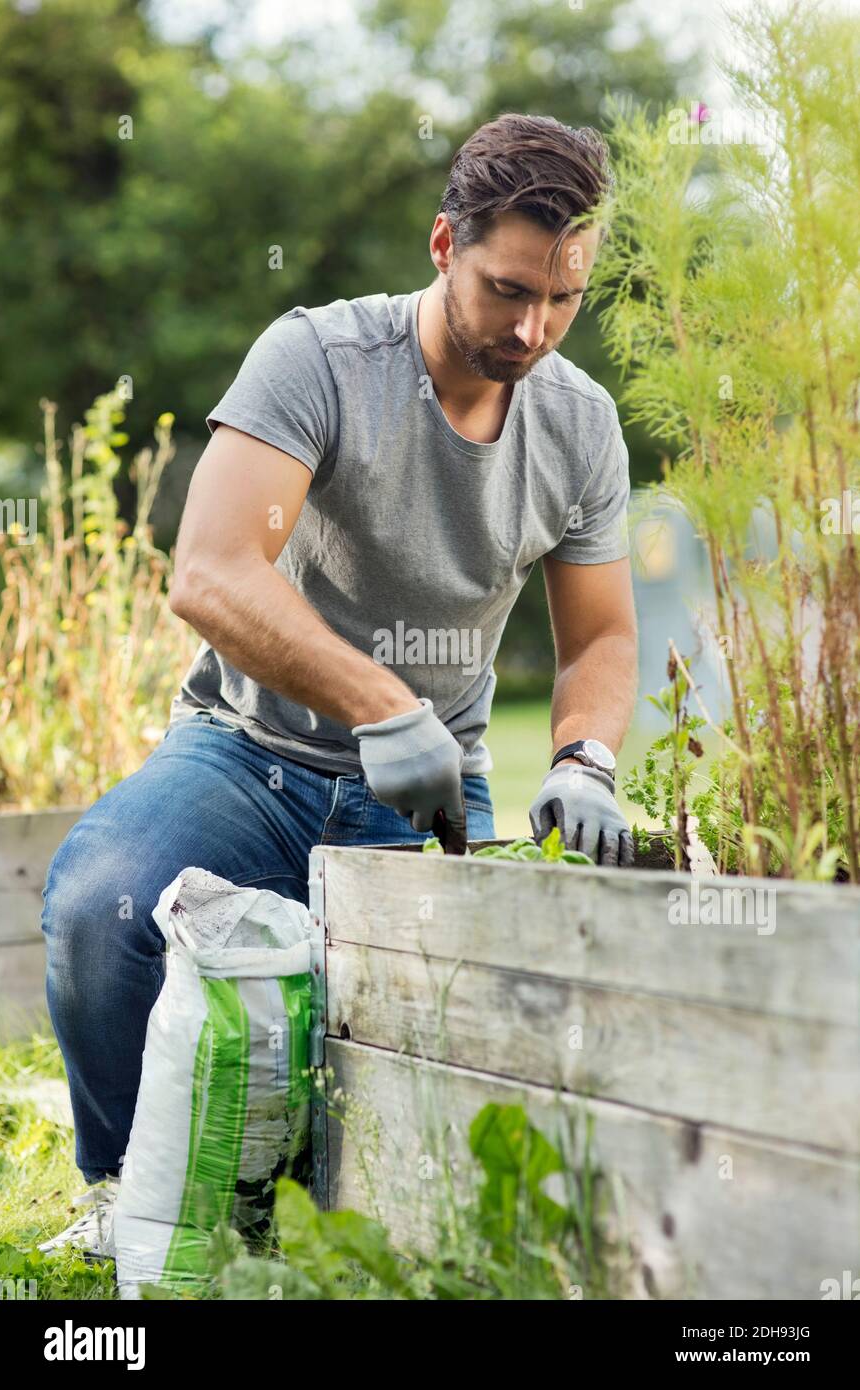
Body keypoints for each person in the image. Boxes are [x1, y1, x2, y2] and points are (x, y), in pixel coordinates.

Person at [38, 112, 638, 1258]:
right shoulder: (319, 359)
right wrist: (381, 705)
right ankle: (133, 1196)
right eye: (507, 288)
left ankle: (338, 1211)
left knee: (449, 1019)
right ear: (439, 244)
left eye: (563, 300)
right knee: (94, 905)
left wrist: (582, 760)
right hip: (249, 754)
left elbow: (601, 638)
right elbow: (212, 571)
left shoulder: (580, 425)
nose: (532, 329)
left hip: (423, 787)